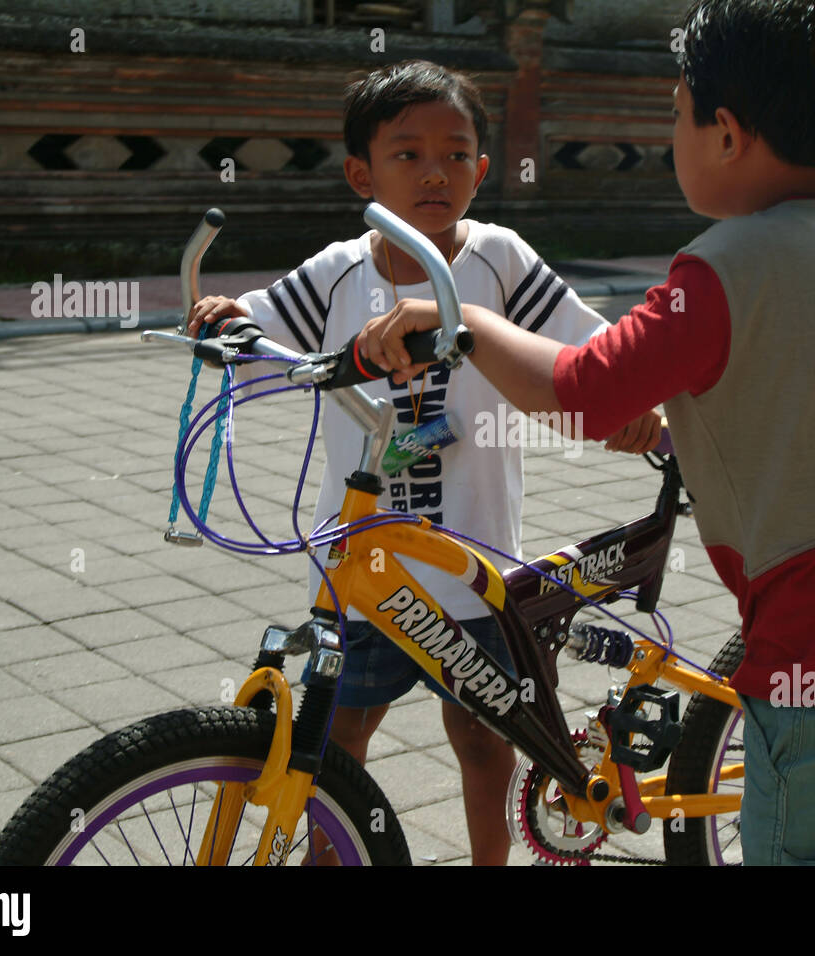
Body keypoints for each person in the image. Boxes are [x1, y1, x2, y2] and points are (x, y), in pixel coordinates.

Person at [360, 0, 815, 866]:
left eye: (677, 114)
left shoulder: (724, 268)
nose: (673, 136)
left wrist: (461, 320)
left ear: (725, 132)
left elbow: (582, 397)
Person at [187, 60, 660, 865]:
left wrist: (633, 406)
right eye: (407, 154)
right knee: (333, 744)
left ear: (481, 168)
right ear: (360, 174)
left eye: (455, 152)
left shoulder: (499, 260)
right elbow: (255, 335)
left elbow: (587, 347)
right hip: (361, 572)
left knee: (483, 738)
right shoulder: (335, 275)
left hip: (475, 571)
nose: (434, 171)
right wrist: (223, 319)